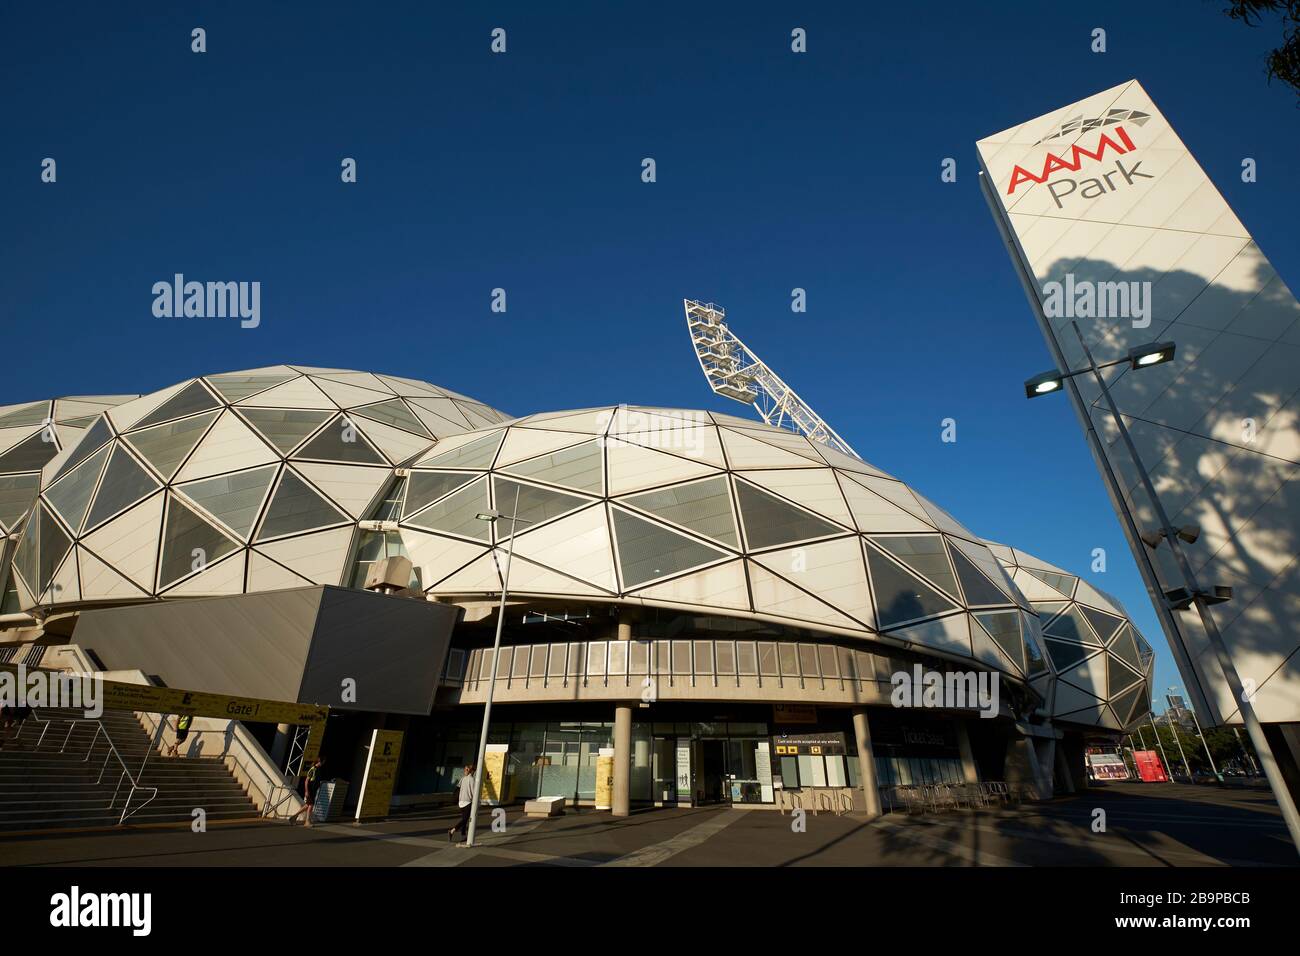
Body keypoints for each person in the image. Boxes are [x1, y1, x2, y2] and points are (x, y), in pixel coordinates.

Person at [289, 757, 325, 827]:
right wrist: (306, 791)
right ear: (320, 762)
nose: (323, 764)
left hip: (313, 790)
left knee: (307, 805)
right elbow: (306, 781)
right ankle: (307, 822)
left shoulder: (318, 770)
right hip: (310, 790)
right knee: (310, 805)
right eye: (323, 762)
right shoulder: (312, 769)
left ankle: (293, 817)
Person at [448, 763, 476, 844]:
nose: (465, 770)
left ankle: (463, 835)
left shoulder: (462, 779)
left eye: (466, 769)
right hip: (467, 802)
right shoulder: (472, 779)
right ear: (472, 771)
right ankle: (452, 831)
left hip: (461, 802)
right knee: (465, 819)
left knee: (464, 819)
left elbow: (458, 788)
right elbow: (474, 792)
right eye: (465, 769)